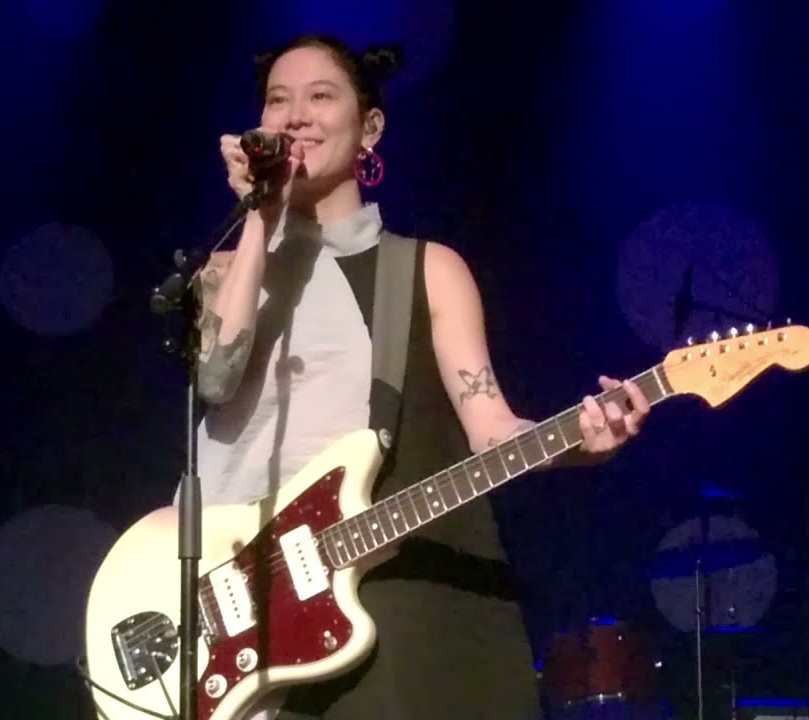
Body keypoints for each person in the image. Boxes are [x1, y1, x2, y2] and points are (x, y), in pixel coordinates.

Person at [188, 33, 651, 720]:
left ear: (370, 128)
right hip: (231, 609)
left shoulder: (425, 270)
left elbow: (491, 429)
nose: (296, 116)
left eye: (321, 96)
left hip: (376, 604)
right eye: (278, 101)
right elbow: (217, 379)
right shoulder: (225, 272)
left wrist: (579, 444)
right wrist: (262, 215)